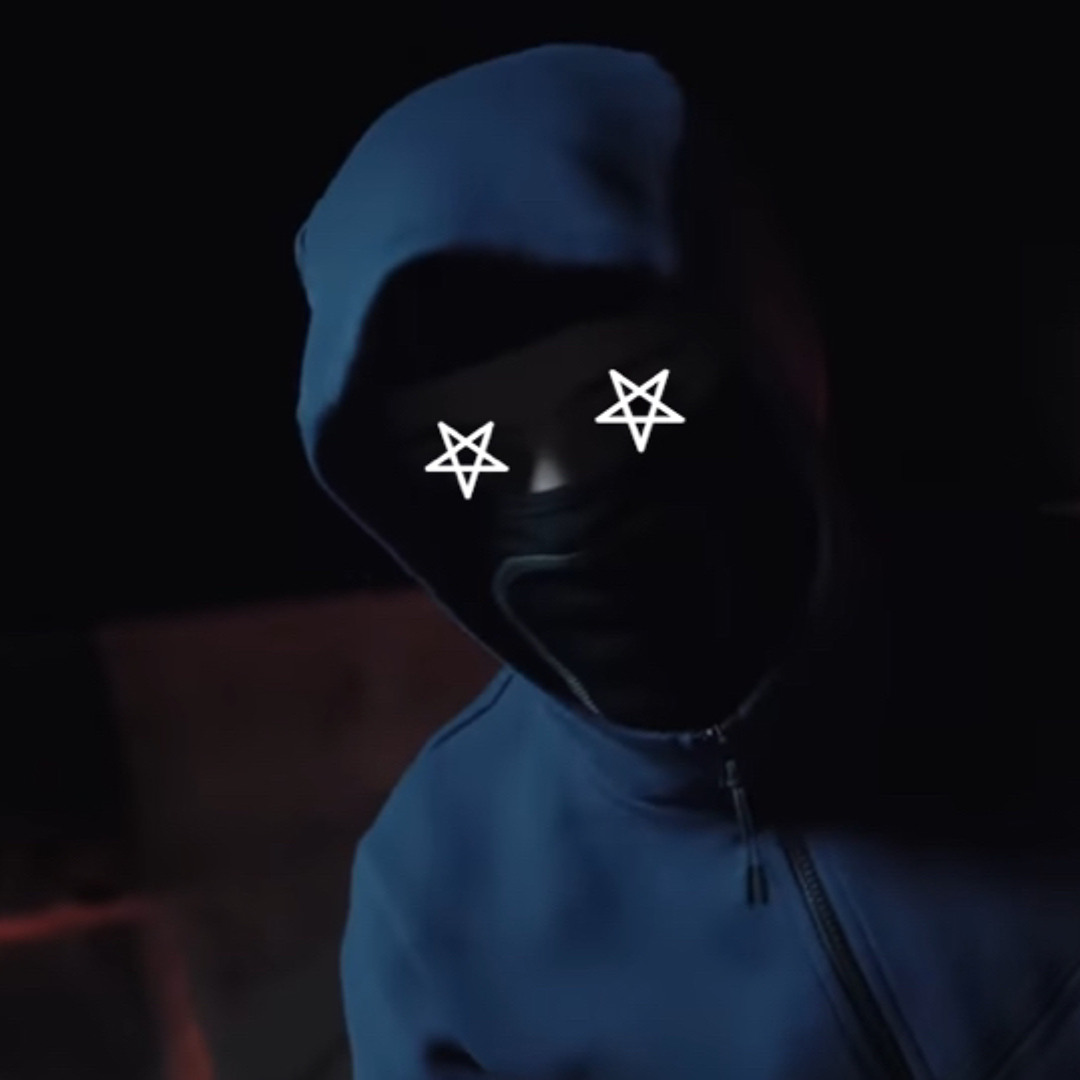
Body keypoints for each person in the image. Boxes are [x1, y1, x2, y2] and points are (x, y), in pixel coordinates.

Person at [293, 44, 1080, 1080]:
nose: (564, 498)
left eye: (633, 402)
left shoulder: (1049, 621)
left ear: (766, 341)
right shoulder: (437, 897)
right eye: (473, 454)